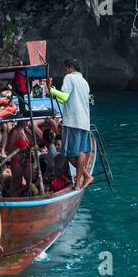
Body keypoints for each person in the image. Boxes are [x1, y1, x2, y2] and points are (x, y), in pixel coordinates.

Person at [51, 58, 94, 188]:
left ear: (69, 68)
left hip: (73, 122)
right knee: (81, 151)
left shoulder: (69, 78)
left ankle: (86, 176)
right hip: (85, 122)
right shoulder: (85, 82)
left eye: (66, 69)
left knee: (68, 154)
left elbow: (64, 97)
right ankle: (78, 184)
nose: (65, 71)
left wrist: (51, 90)